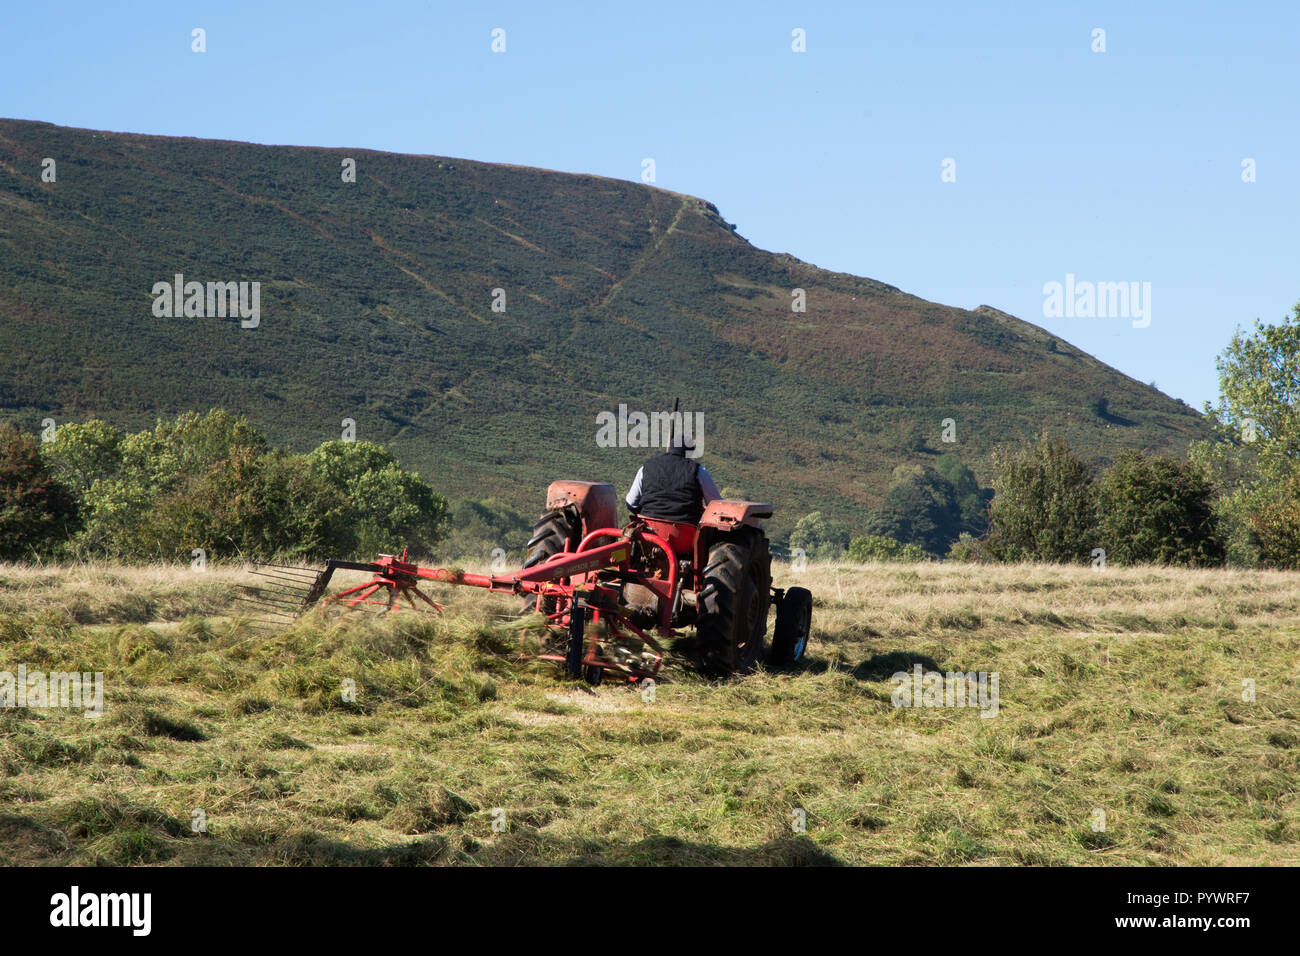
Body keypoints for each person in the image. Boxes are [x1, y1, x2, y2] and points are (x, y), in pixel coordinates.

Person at [625, 438, 720, 524]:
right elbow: (717, 505)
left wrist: (649, 513)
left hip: (648, 529)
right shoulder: (698, 470)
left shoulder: (645, 467)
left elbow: (631, 503)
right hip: (686, 531)